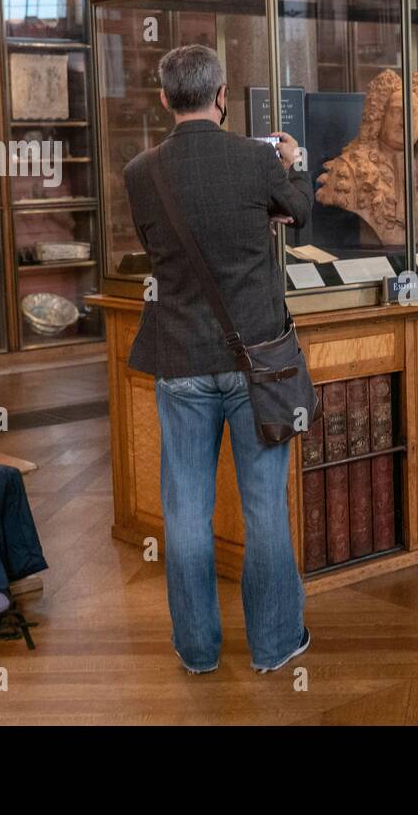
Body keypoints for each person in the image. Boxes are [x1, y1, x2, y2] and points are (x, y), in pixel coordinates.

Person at [123, 44, 312, 675]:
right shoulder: (256, 160)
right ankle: (276, 643)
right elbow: (301, 213)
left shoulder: (139, 172)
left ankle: (199, 649)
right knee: (263, 508)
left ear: (163, 99)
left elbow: (158, 247)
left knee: (184, 513)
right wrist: (293, 162)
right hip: (260, 358)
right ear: (223, 95)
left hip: (181, 358)